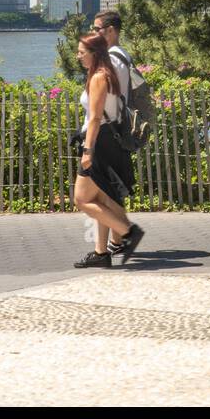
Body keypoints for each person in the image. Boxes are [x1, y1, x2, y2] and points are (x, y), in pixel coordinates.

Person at [71, 32, 144, 268]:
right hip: (106, 141)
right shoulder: (106, 75)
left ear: (94, 53)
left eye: (82, 52)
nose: (78, 56)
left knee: (82, 199)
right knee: (101, 197)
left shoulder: (99, 78)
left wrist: (87, 151)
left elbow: (94, 119)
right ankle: (101, 252)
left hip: (98, 142)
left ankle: (127, 231)